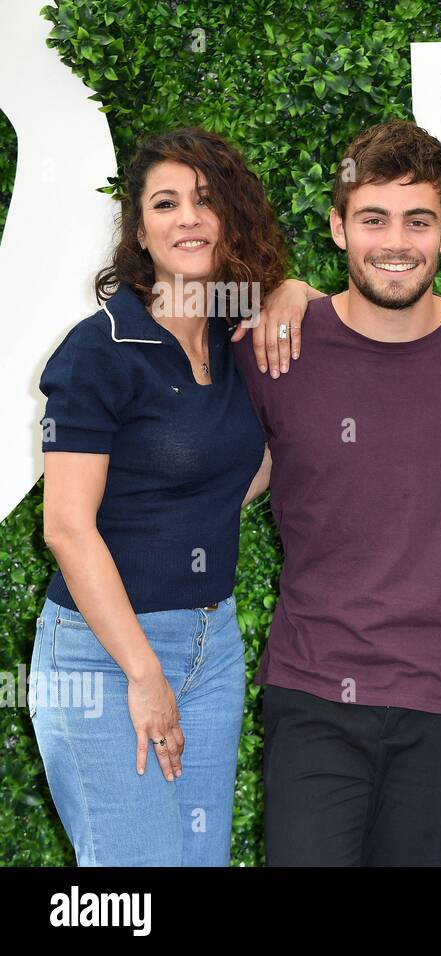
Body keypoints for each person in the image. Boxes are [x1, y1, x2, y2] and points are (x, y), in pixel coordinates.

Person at [234, 121, 441, 866]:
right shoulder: (274, 344)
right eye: (373, 219)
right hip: (314, 689)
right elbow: (217, 471)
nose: (396, 241)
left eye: (418, 220)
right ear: (337, 228)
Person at [31, 127, 306, 865]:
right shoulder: (98, 350)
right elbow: (66, 529)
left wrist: (296, 291)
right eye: (165, 203)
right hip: (105, 657)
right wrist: (144, 673)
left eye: (206, 201)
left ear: (232, 219)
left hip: (212, 648)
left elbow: (234, 482)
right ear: (141, 231)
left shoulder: (233, 336)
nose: (187, 217)